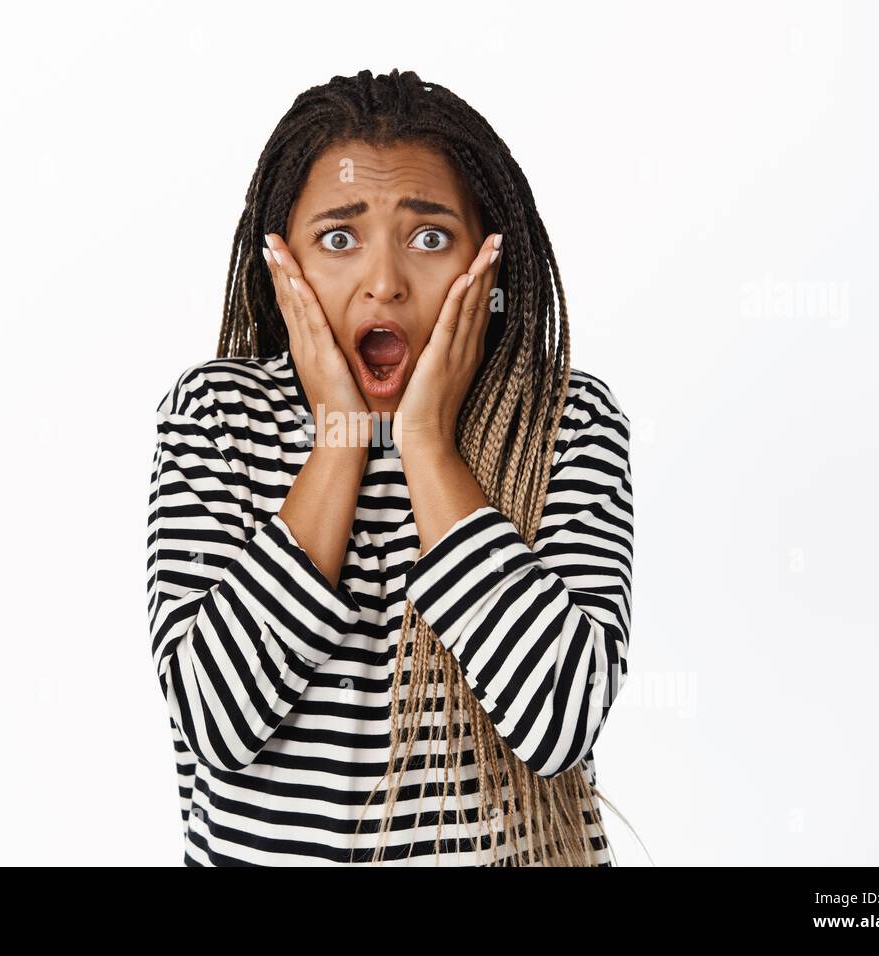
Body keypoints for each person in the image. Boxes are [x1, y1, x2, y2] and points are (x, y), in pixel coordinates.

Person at [146, 68, 634, 866]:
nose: (385, 282)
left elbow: (559, 720)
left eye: (430, 237)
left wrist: (429, 447)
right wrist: (339, 439)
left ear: (491, 262)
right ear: (284, 266)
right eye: (338, 238)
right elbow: (214, 718)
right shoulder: (216, 418)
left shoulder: (564, 424)